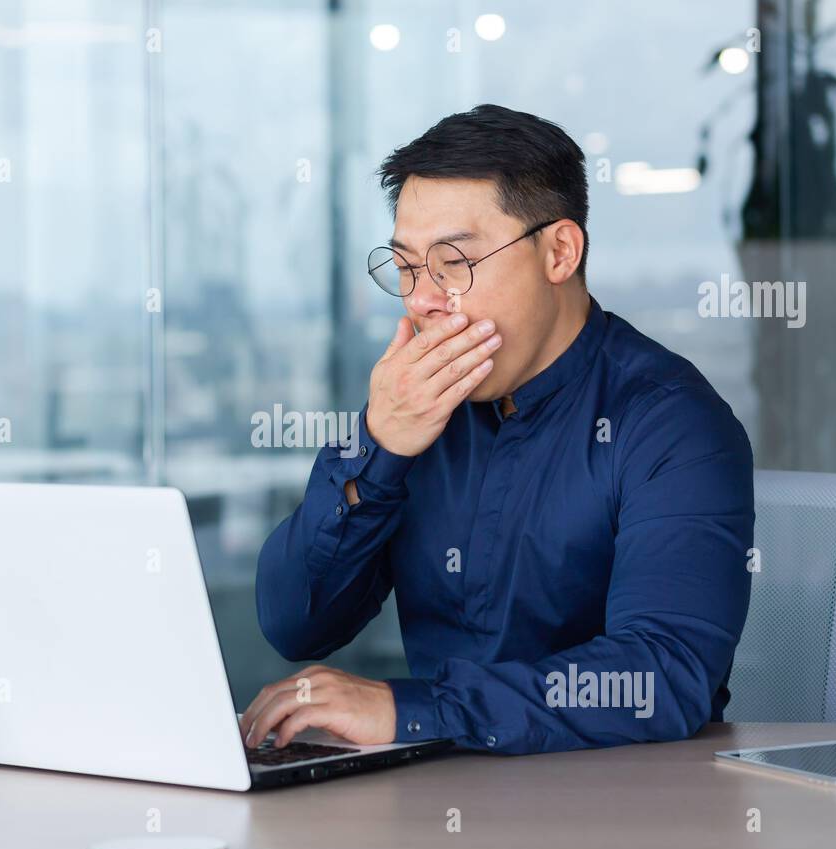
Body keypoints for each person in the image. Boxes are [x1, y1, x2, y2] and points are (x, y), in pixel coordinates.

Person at [241, 104, 754, 756]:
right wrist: (379, 447)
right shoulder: (414, 408)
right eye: (405, 266)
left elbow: (660, 677)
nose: (424, 299)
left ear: (560, 252)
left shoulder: (669, 422)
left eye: (453, 262)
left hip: (622, 809)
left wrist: (411, 712)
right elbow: (295, 624)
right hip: (434, 802)